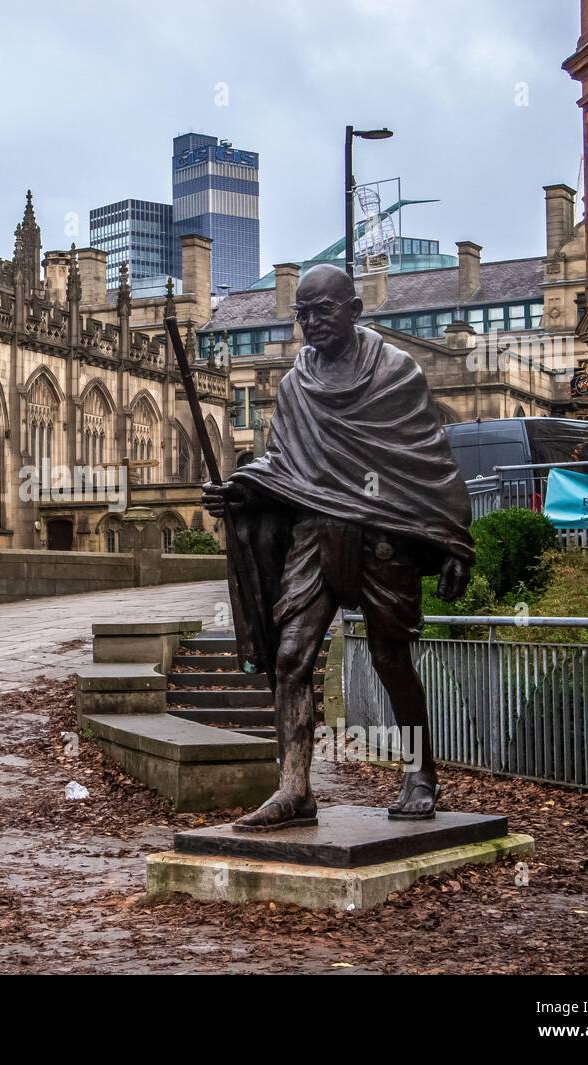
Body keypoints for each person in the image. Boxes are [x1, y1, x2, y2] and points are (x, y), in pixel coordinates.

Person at [203, 264, 473, 830]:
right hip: (314, 535)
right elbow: (284, 464)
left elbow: (431, 462)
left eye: (323, 310)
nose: (311, 323)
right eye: (302, 313)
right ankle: (295, 788)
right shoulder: (296, 386)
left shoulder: (397, 373)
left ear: (354, 309)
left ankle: (421, 772)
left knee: (389, 658)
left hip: (381, 539)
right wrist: (240, 492)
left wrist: (454, 543)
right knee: (290, 656)